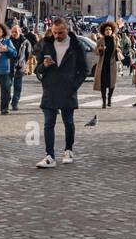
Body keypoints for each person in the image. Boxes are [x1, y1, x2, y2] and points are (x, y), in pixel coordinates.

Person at [33, 18, 89, 168]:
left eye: (60, 32)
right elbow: (37, 69)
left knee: (68, 122)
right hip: (50, 87)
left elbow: (84, 70)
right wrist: (43, 65)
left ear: (67, 30)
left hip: (68, 88)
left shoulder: (77, 46)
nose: (57, 35)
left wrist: (74, 85)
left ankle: (68, 150)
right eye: (55, 32)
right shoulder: (46, 44)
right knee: (48, 123)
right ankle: (49, 156)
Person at [92, 21, 119, 108]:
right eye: (106, 29)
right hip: (103, 65)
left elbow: (118, 48)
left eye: (110, 29)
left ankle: (109, 98)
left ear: (112, 31)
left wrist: (118, 50)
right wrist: (100, 49)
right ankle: (104, 101)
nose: (108, 31)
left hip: (112, 64)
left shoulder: (116, 39)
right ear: (104, 31)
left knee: (112, 83)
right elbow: (96, 52)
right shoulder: (100, 40)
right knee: (103, 84)